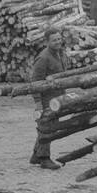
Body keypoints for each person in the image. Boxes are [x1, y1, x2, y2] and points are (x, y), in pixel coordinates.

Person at [29, 29, 67, 169]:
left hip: (57, 98)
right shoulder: (43, 58)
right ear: (47, 42)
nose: (58, 42)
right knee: (47, 128)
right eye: (54, 40)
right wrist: (38, 103)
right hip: (46, 99)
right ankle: (44, 159)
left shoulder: (61, 53)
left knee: (47, 127)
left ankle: (35, 155)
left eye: (59, 39)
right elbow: (35, 81)